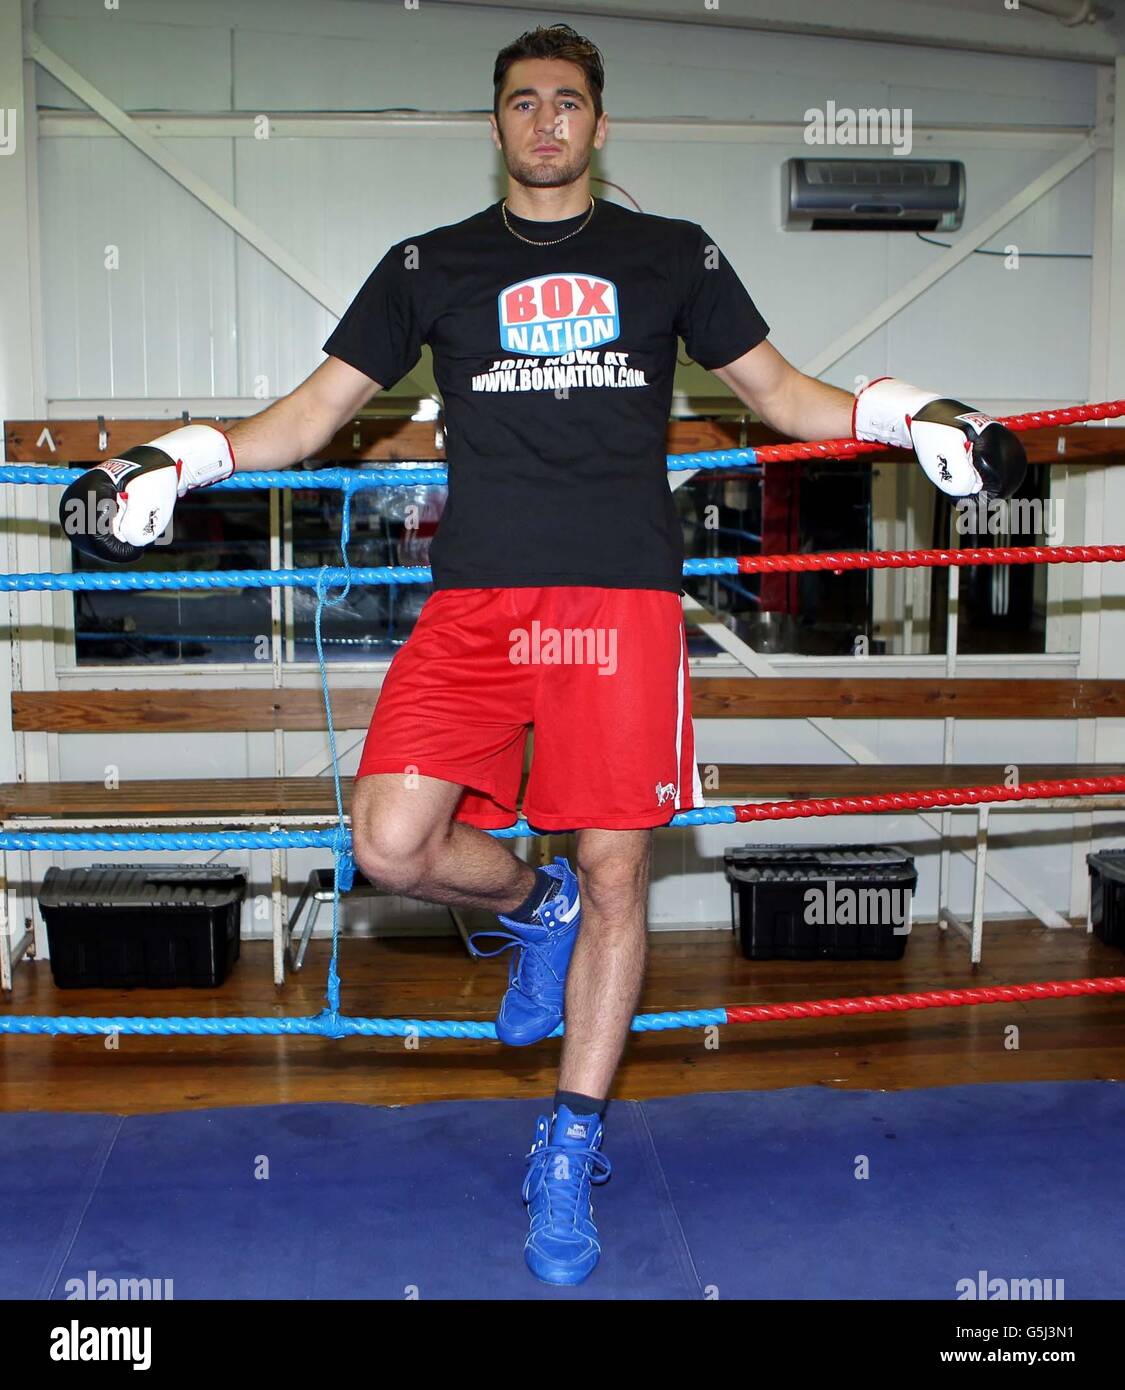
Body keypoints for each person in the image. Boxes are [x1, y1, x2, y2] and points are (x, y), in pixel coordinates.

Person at [60, 23, 1025, 1287]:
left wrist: (923, 418)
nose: (547, 123)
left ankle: (568, 1145)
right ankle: (531, 903)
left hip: (619, 608)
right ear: (500, 123)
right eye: (524, 103)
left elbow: (787, 397)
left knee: (620, 874)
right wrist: (174, 459)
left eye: (569, 103)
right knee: (389, 844)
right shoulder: (431, 264)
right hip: (474, 606)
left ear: (599, 124)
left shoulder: (672, 254)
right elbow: (307, 418)